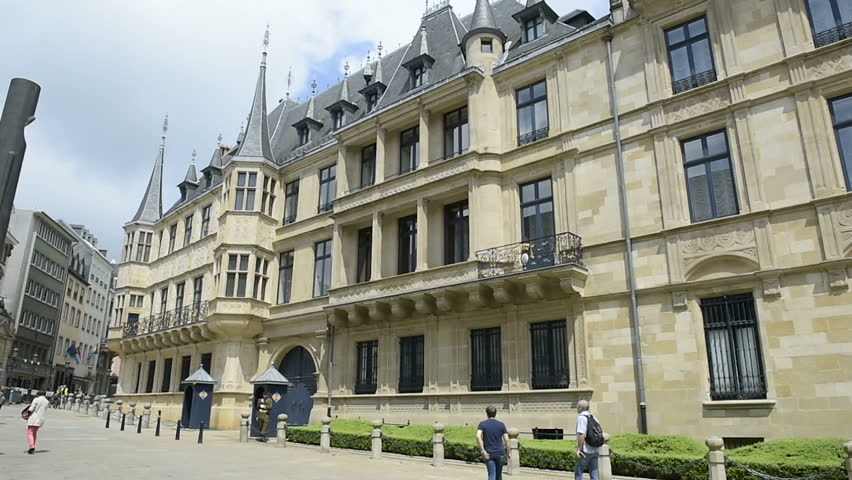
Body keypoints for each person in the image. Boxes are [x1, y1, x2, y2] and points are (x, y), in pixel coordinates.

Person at [476, 405, 510, 480]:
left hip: (489, 452)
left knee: (491, 474)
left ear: (487, 413)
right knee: (499, 475)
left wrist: (483, 451)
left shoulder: (482, 424)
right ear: (495, 413)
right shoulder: (501, 424)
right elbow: (507, 440)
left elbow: (478, 436)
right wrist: (509, 452)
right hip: (500, 452)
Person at [575, 400, 601, 480]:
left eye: (577, 407)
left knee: (578, 471)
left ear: (580, 408)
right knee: (594, 472)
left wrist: (579, 449)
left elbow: (582, 435)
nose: (576, 408)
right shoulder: (594, 417)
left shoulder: (581, 418)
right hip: (595, 449)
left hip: (585, 450)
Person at [26, 390, 49, 454]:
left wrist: (27, 414)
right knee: (34, 433)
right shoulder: (47, 401)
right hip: (40, 418)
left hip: (33, 417)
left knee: (30, 432)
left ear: (38, 394)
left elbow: (31, 408)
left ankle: (32, 447)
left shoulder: (36, 399)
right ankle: (33, 445)